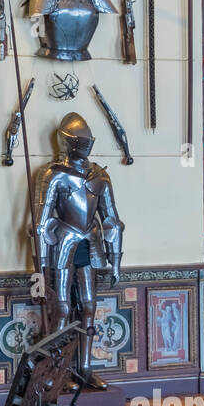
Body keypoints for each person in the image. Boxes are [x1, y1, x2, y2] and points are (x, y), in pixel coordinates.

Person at [33, 112, 124, 375]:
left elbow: (112, 222)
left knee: (89, 307)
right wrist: (39, 268)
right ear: (66, 141)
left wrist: (116, 262)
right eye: (79, 140)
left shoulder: (100, 176)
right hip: (62, 243)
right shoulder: (53, 175)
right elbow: (40, 223)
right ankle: (55, 372)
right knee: (61, 309)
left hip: (90, 243)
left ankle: (84, 369)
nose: (84, 145)